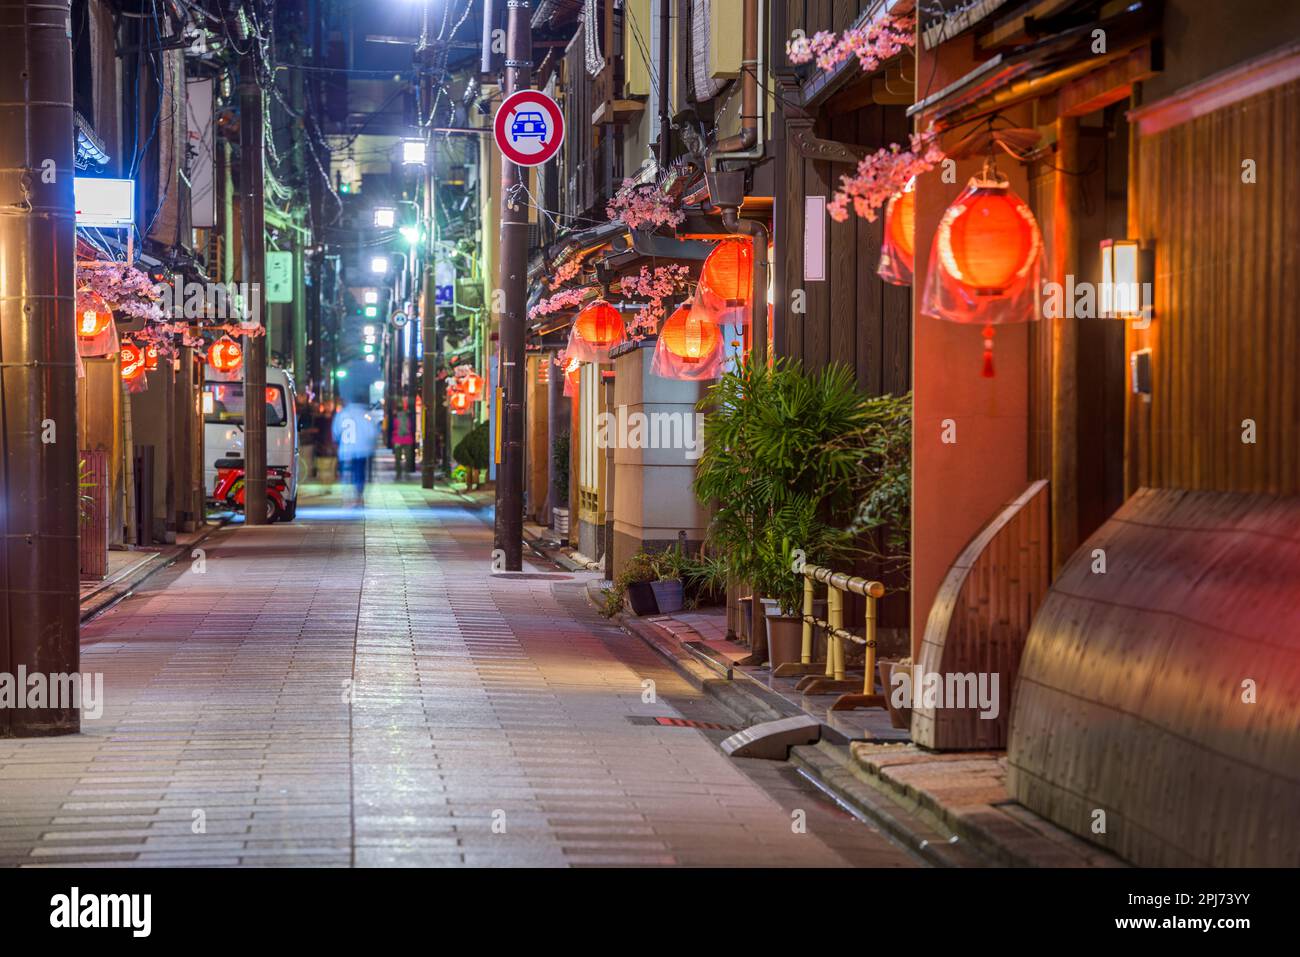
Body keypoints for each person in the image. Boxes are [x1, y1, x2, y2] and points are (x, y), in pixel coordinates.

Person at [332, 400, 378, 506]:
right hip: (362, 449)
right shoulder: (365, 415)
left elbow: (336, 431)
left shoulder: (342, 414)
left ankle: (347, 496)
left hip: (345, 449)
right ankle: (358, 496)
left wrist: (338, 442)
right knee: (359, 472)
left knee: (346, 472)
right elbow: (372, 433)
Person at [392, 401, 415, 479]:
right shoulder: (408, 417)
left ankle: (398, 472)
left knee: (398, 458)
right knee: (408, 457)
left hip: (397, 439)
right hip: (408, 439)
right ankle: (407, 472)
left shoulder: (395, 417)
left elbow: (392, 428)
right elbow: (411, 427)